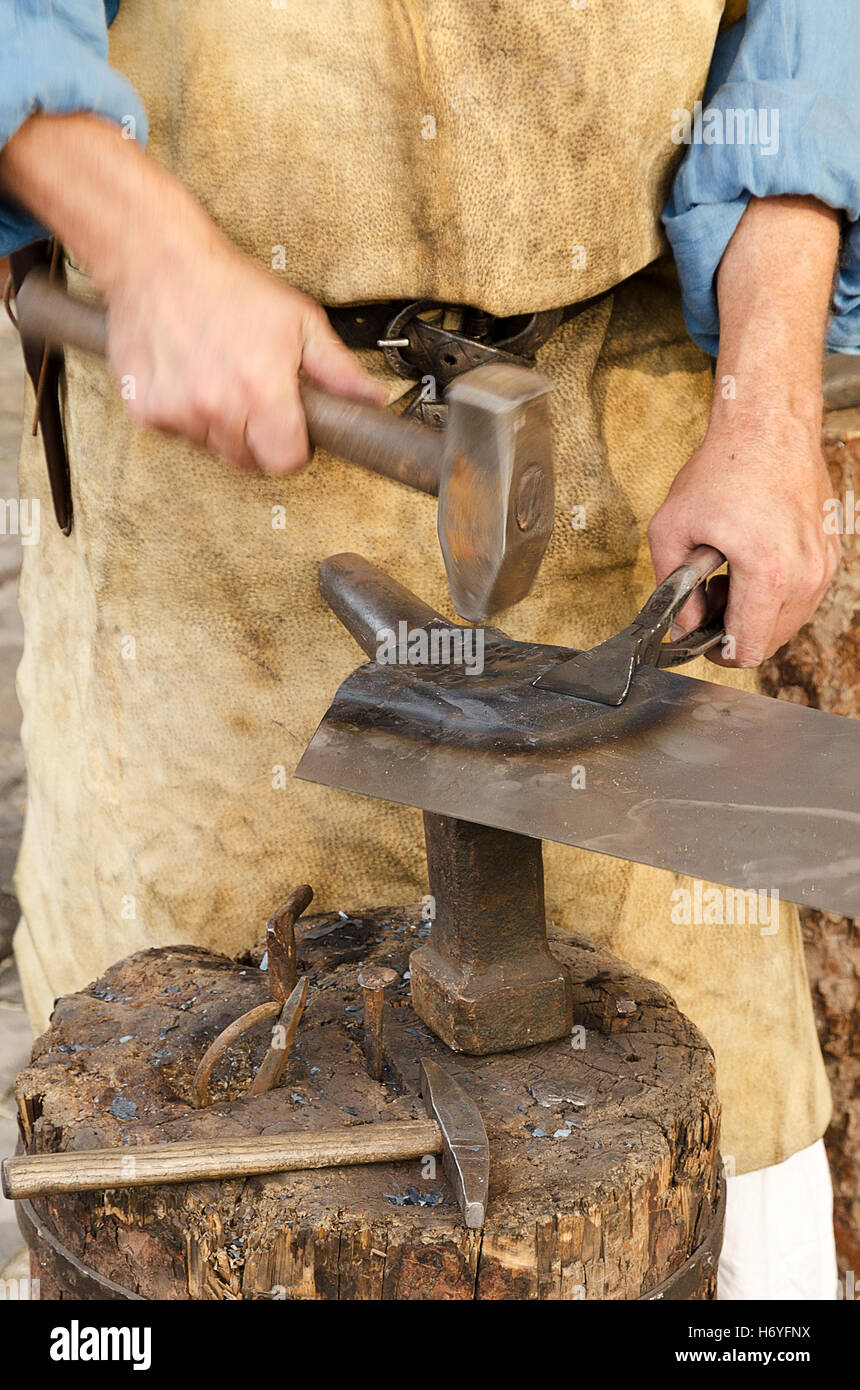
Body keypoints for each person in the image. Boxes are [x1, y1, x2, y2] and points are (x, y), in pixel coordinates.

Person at [1, 0, 857, 1300]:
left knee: (717, 1212)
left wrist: (768, 385)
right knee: (178, 1186)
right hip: (205, 501)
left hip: (610, 461)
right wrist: (145, 241)